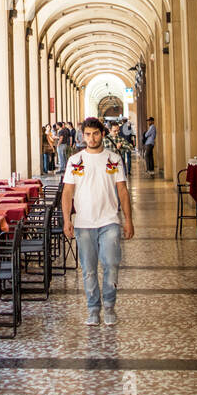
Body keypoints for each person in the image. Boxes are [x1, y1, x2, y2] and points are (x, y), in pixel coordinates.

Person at [62, 116, 134, 326]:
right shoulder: (75, 161)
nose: (91, 138)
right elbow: (67, 192)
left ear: (102, 134)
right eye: (87, 134)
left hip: (109, 220)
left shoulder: (113, 159)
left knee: (111, 264)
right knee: (89, 268)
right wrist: (67, 219)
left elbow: (122, 189)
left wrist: (128, 220)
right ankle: (93, 309)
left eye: (95, 134)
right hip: (84, 223)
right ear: (82, 136)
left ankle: (110, 306)